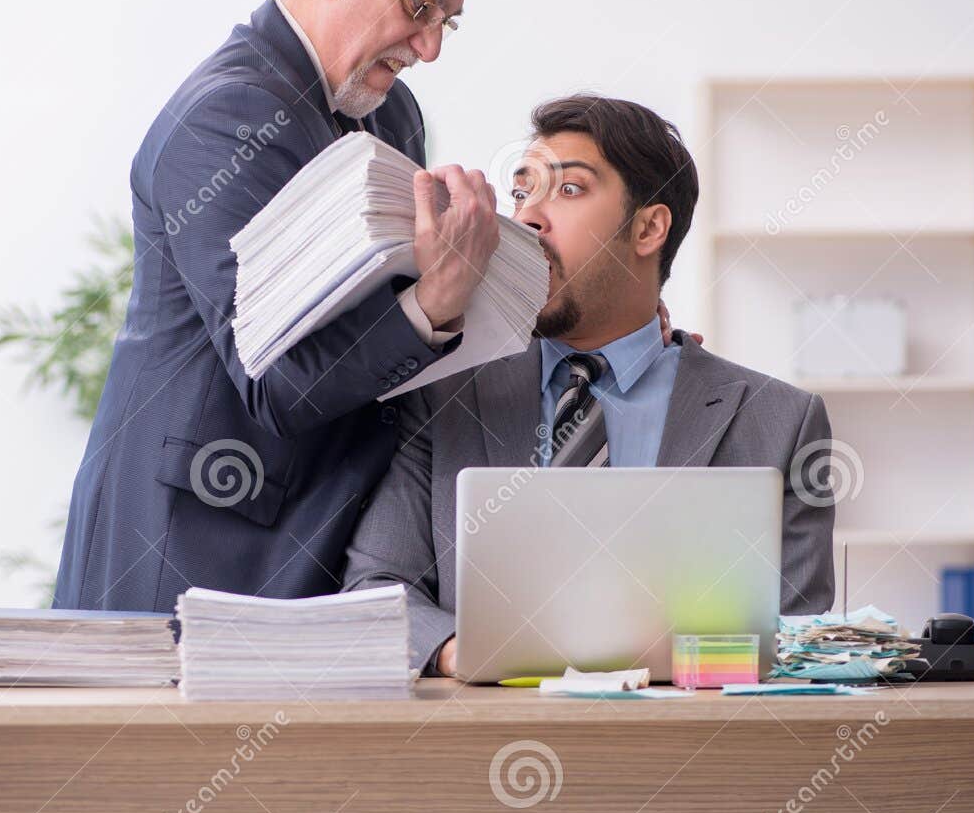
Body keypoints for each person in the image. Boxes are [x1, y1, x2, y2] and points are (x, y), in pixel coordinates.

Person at [54, 0, 502, 612]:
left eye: (446, 22)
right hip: (196, 549)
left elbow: (388, 332)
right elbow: (276, 382)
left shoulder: (393, 116)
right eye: (420, 5)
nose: (429, 48)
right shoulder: (222, 118)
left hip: (326, 537)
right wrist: (434, 302)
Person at [341, 95, 837, 675]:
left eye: (569, 189)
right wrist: (467, 653)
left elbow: (794, 647)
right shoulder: (443, 396)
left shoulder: (781, 422)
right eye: (522, 193)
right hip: (485, 726)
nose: (527, 218)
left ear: (648, 228)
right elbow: (377, 588)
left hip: (685, 730)